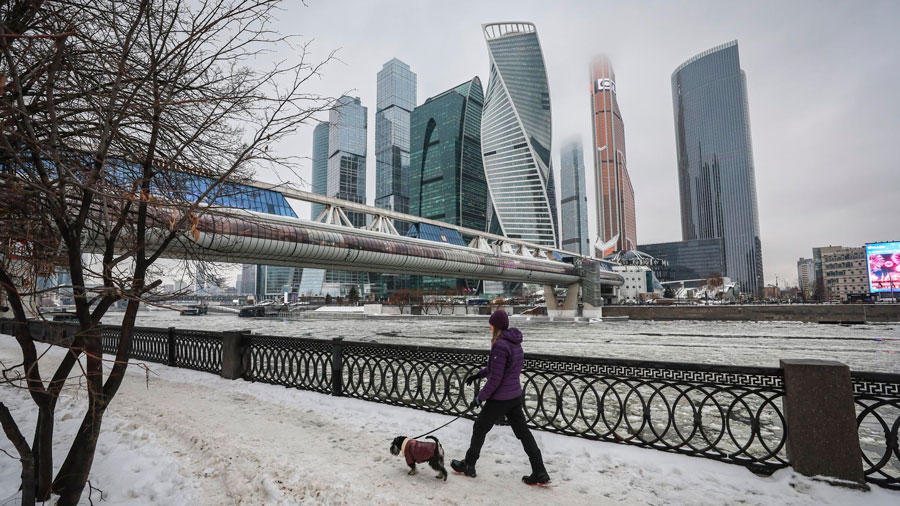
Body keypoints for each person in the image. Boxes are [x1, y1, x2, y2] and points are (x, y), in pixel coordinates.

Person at [451, 310, 551, 486]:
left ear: (495, 326)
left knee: (480, 427)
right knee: (523, 433)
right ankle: (540, 471)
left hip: (500, 399)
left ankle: (469, 464)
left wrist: (480, 397)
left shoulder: (500, 345)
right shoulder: (515, 343)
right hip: (514, 396)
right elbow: (498, 369)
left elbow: (496, 378)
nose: (489, 327)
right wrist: (478, 375)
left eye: (491, 325)